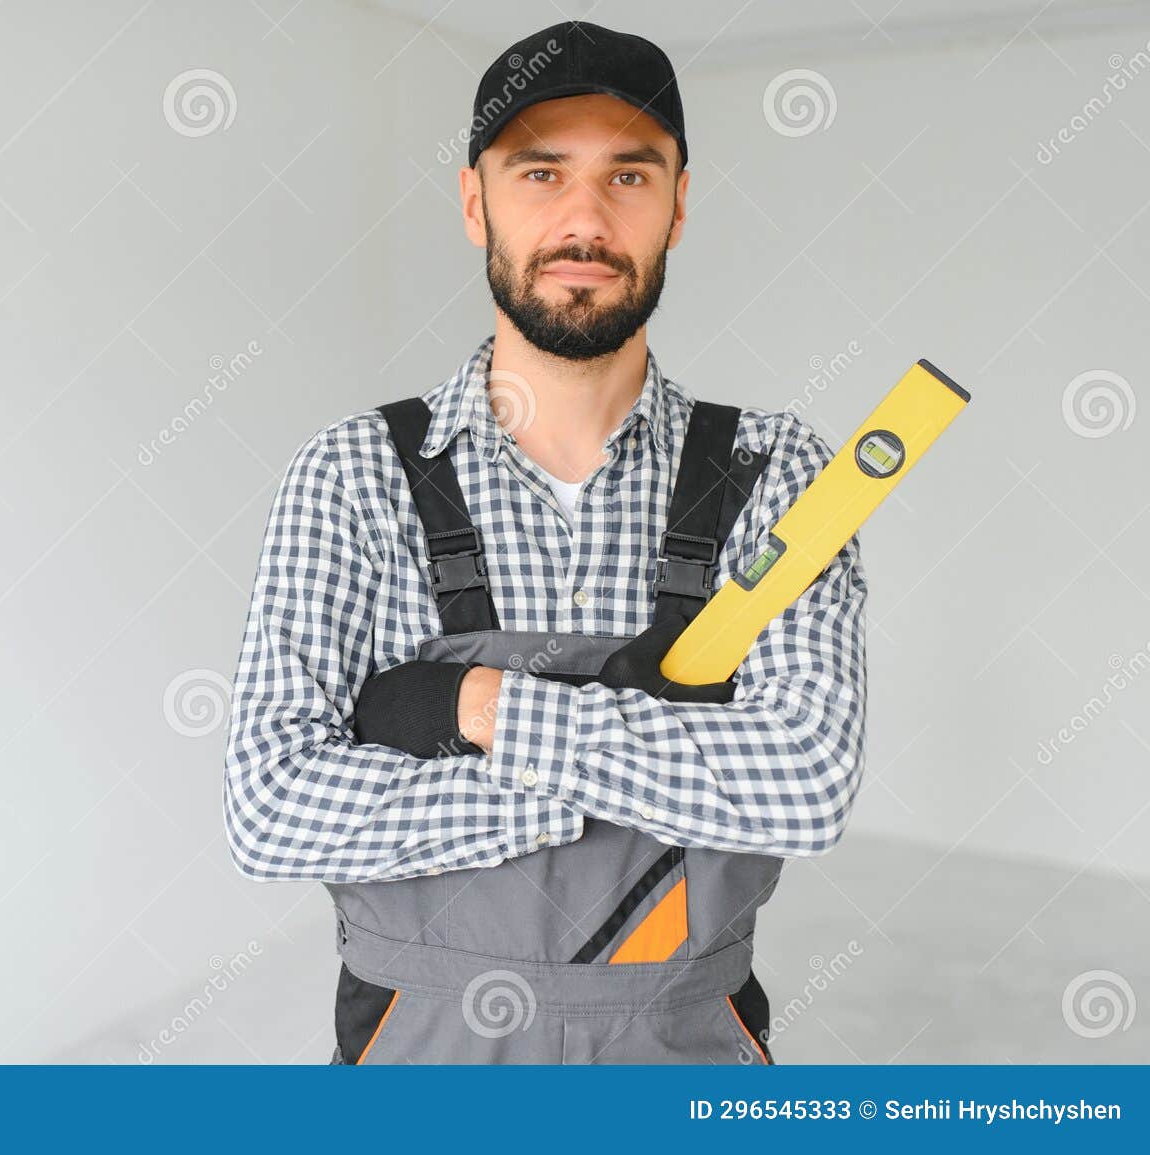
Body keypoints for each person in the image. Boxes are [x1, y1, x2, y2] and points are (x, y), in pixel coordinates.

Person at [222, 21, 867, 1065]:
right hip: (416, 1056)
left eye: (628, 175)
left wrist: (474, 709)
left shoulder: (777, 474)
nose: (583, 217)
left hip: (682, 1048)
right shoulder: (351, 476)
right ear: (475, 201)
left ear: (678, 205)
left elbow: (801, 785)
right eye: (539, 173)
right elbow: (272, 809)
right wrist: (645, 772)